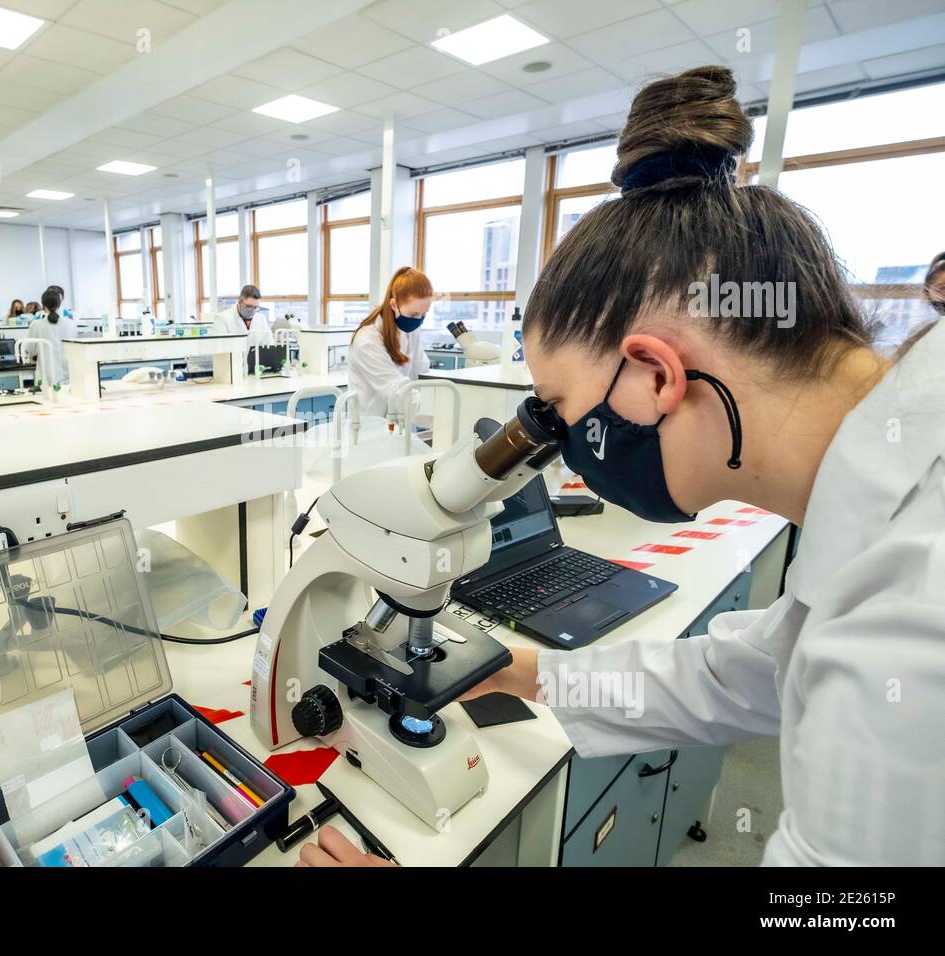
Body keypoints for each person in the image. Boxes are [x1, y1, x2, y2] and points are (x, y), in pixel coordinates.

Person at [303, 65, 944, 868]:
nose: (555, 440)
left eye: (558, 410)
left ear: (653, 376)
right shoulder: (894, 484)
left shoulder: (915, 607)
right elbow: (752, 673)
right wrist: (529, 674)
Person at [346, 267, 432, 418]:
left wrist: (438, 398)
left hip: (398, 423)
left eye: (423, 314)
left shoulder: (411, 331)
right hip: (370, 427)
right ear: (394, 305)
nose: (418, 320)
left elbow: (422, 372)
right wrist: (438, 412)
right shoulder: (367, 341)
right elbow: (395, 390)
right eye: (413, 314)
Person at [23, 286, 78, 386]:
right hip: (68, 377)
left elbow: (30, 351)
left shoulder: (36, 325)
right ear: (59, 303)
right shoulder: (71, 324)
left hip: (45, 378)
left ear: (43, 305)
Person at [212, 284, 273, 349]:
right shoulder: (222, 318)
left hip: (257, 359)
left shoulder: (261, 318)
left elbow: (270, 344)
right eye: (249, 306)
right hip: (232, 359)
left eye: (255, 307)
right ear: (240, 302)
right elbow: (218, 347)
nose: (252, 310)